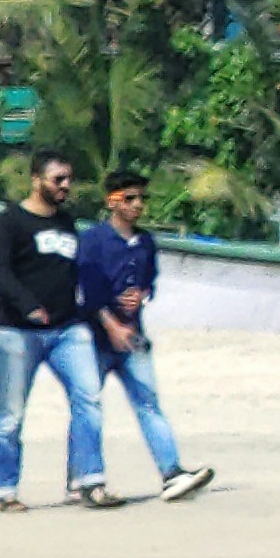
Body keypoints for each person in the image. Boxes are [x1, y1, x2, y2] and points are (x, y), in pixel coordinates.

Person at [0, 160, 107, 509]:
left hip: (67, 329)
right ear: (37, 180)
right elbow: (1, 271)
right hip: (16, 331)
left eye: (69, 179)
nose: (66, 185)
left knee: (89, 398)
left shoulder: (66, 223)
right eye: (58, 179)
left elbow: (74, 273)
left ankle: (89, 480)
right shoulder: (10, 221)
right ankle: (4, 491)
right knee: (11, 414)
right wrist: (28, 305)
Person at [72, 175, 207, 505]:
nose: (138, 205)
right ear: (112, 201)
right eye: (130, 198)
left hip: (133, 335)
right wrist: (111, 325)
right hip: (96, 339)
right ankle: (83, 478)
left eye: (141, 198)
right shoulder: (93, 240)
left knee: (148, 403)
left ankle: (172, 472)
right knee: (87, 408)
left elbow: (150, 282)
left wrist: (142, 296)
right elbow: (86, 292)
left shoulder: (145, 242)